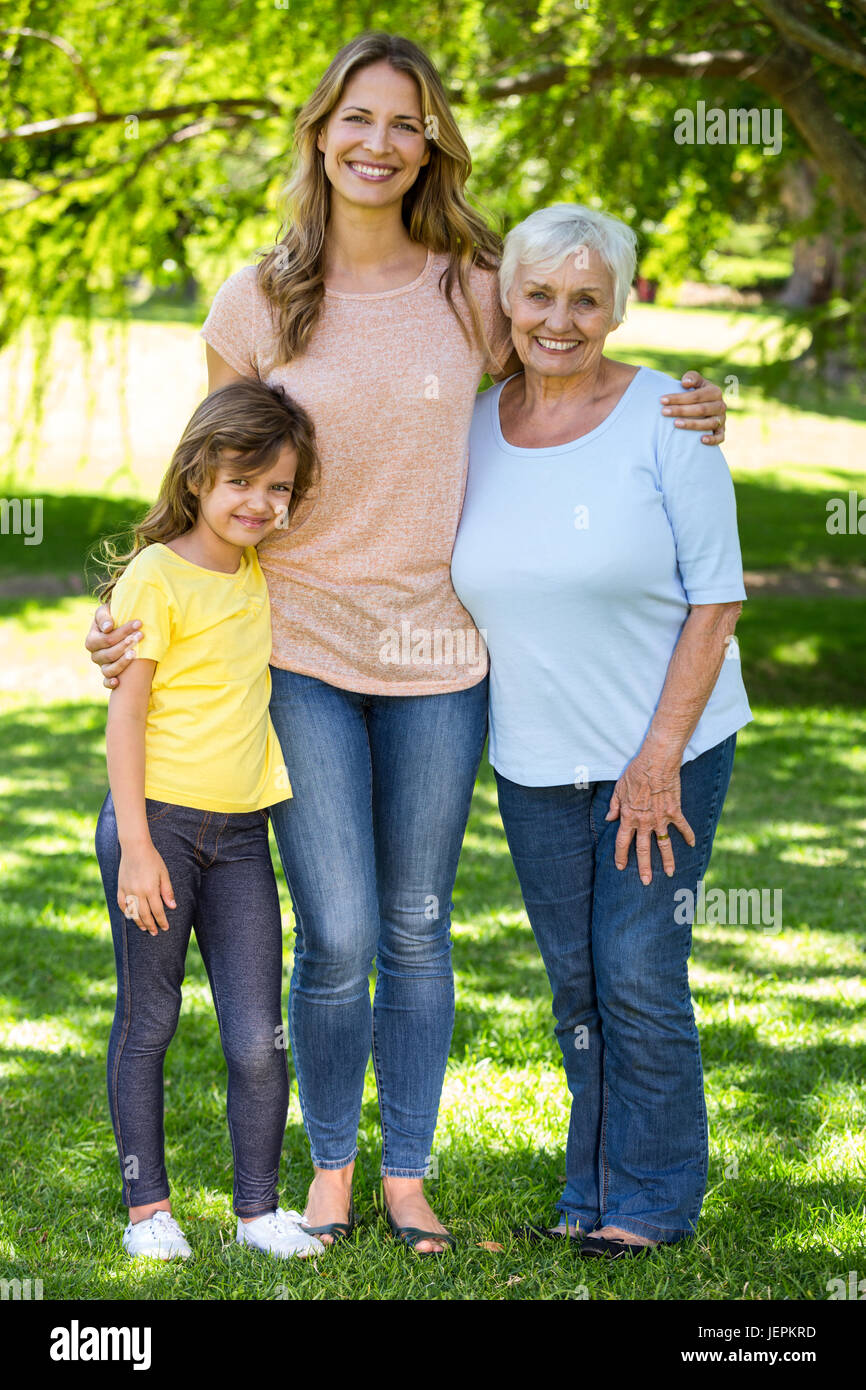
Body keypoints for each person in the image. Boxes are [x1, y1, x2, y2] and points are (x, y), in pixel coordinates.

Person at [86, 32, 728, 1256]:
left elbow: (567, 357)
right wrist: (133, 612)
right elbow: (213, 472)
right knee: (332, 928)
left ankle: (406, 1176)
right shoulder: (256, 297)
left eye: (407, 122)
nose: (379, 143)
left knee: (416, 921)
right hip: (301, 651)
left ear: (430, 141)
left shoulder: (473, 284)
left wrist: (683, 400)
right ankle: (326, 1173)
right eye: (358, 118)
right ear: (320, 130)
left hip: (442, 660)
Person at [450, 203, 752, 1257]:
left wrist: (657, 760)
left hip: (665, 747)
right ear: (506, 299)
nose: (560, 318)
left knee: (634, 966)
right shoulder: (475, 423)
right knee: (576, 980)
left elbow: (715, 601)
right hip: (535, 758)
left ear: (620, 306)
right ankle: (588, 1193)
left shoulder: (669, 417)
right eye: (538, 294)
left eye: (587, 297)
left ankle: (653, 1203)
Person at [94, 379, 324, 1260]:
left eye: (279, 489)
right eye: (243, 482)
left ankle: (258, 1211)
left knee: (257, 1035)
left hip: (239, 840)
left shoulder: (263, 570)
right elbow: (125, 715)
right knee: (148, 1022)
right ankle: (147, 1210)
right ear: (197, 475)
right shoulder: (155, 575)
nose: (261, 504)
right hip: (154, 830)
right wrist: (139, 847)